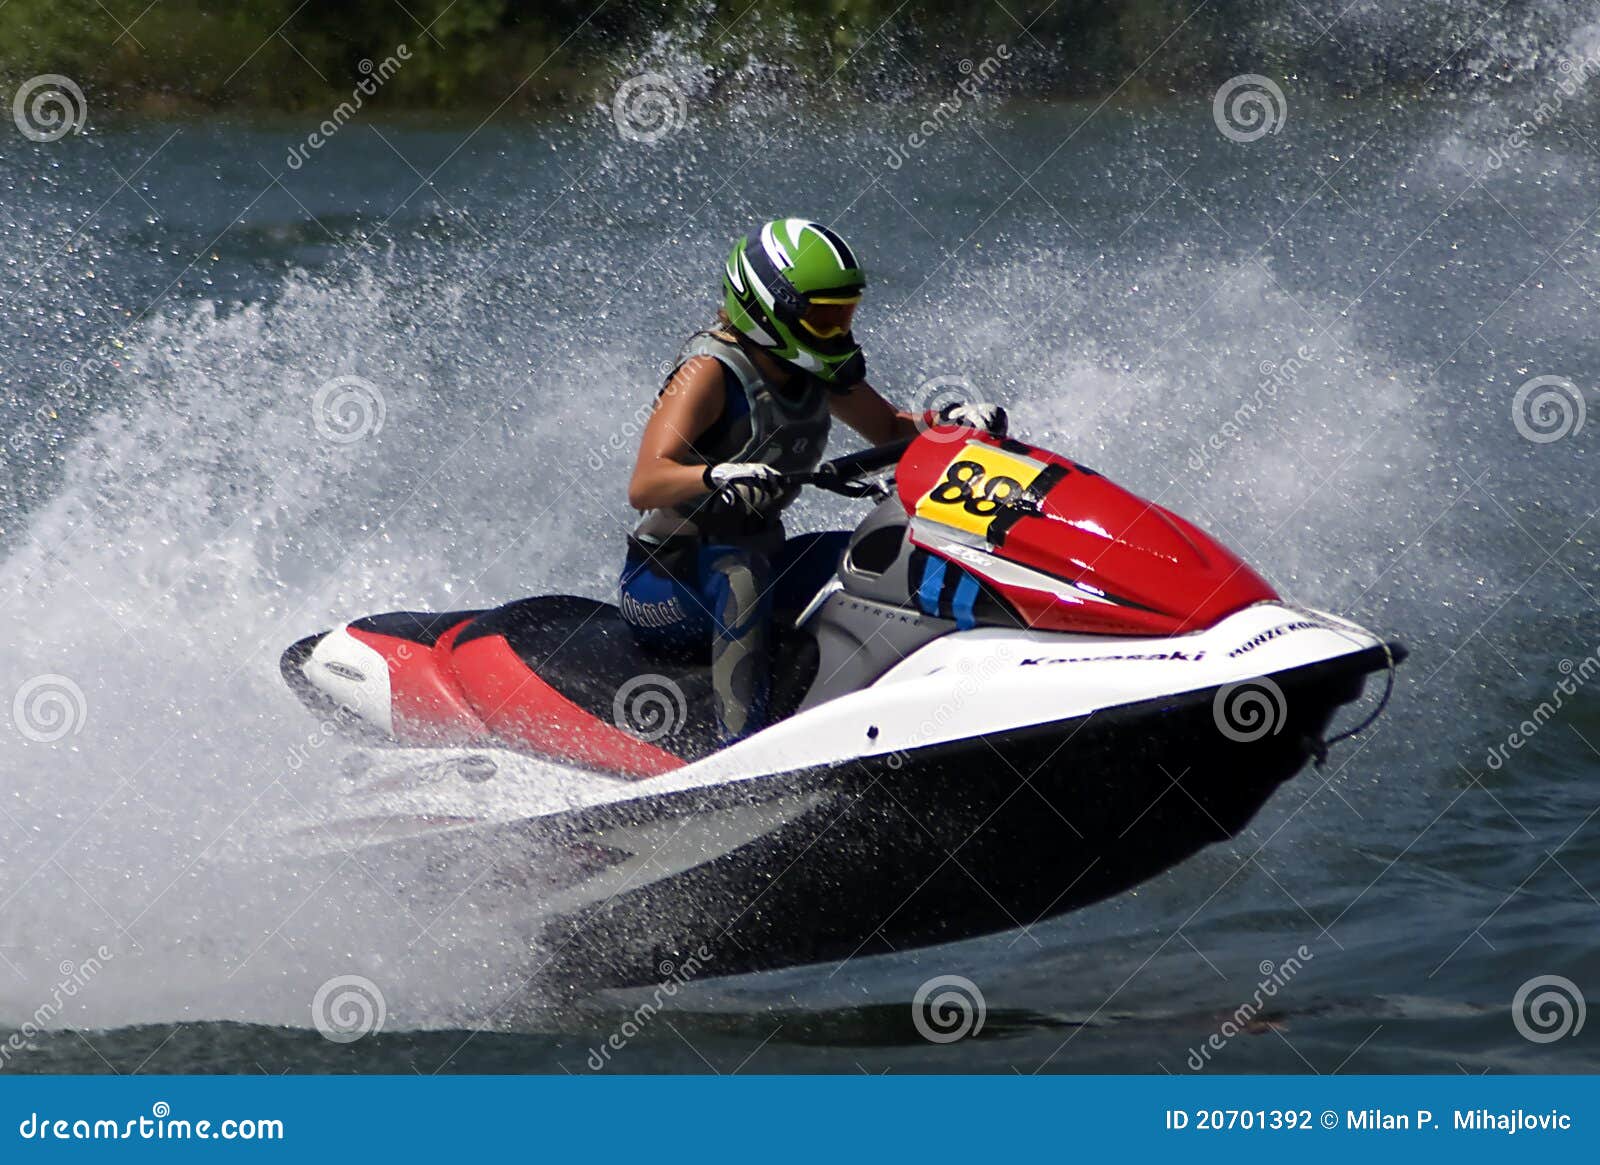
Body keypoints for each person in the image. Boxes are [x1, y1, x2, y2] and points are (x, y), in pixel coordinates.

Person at [621, 218, 1006, 742]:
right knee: (741, 581)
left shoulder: (811, 368)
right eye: (825, 318)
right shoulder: (709, 372)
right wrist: (714, 475)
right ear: (767, 309)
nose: (840, 333)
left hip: (765, 559)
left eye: (844, 315)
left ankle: (952, 700)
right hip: (668, 580)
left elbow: (888, 429)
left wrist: (953, 427)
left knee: (880, 555)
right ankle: (738, 756)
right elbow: (645, 483)